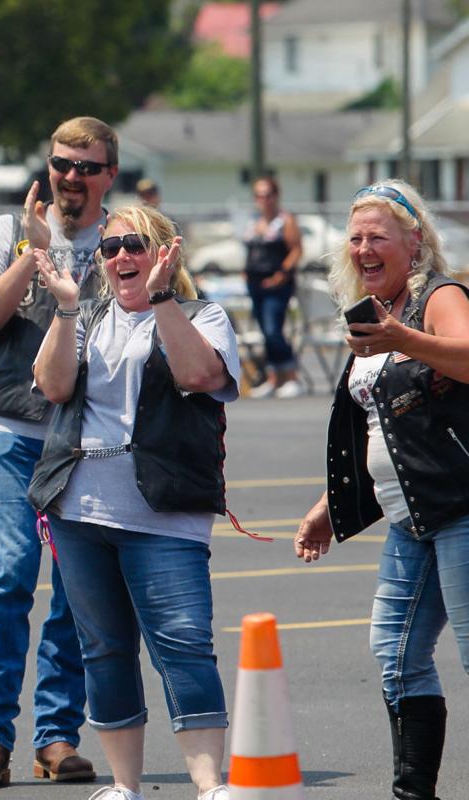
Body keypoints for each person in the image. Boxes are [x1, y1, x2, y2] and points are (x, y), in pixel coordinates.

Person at [28, 205, 240, 800]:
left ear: (165, 252)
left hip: (164, 514)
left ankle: (208, 785)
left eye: (136, 244)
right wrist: (66, 309)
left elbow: (199, 374)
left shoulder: (203, 314)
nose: (122, 254)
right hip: (80, 514)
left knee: (184, 643)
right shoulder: (87, 315)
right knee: (105, 649)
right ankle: (125, 785)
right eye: (112, 245)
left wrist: (163, 298)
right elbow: (52, 385)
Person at [293, 179, 469, 800]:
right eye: (356, 238)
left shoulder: (438, 298)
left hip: (460, 507)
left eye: (379, 237)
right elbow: (378, 426)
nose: (364, 249)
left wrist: (405, 340)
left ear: (415, 242)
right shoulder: (376, 318)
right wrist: (327, 507)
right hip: (410, 518)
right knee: (395, 653)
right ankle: (413, 792)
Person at [0, 116, 118, 787]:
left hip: (86, 437)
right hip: (10, 428)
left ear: (110, 173)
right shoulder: (8, 231)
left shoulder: (123, 238)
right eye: (61, 164)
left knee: (74, 592)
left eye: (86, 167)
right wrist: (34, 249)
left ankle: (56, 736)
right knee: (9, 573)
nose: (71, 178)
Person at [243, 175, 303, 398]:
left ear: (276, 196)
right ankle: (273, 378)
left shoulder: (285, 220)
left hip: (277, 284)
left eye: (268, 195)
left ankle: (292, 375)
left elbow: (296, 250)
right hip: (255, 284)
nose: (264, 199)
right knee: (264, 332)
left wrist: (282, 274)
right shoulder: (254, 221)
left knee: (273, 329)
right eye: (259, 195)